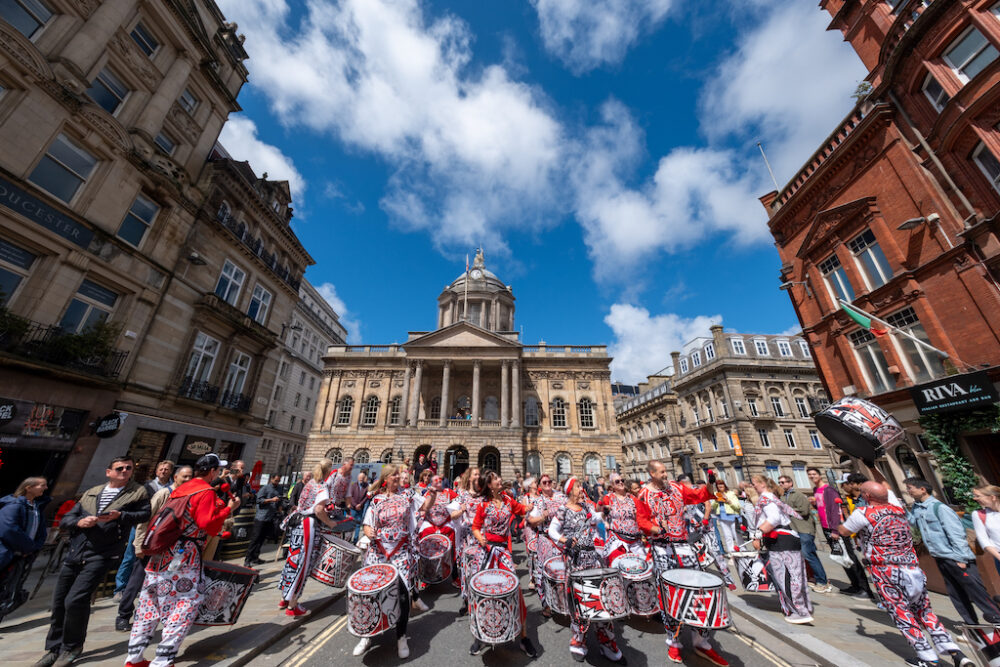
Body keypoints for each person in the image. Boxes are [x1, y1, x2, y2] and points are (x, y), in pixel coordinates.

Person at [840, 482, 974, 667]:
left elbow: (845, 531)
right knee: (925, 611)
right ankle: (957, 653)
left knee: (901, 613)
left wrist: (838, 529)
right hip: (913, 568)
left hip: (886, 571)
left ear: (867, 497)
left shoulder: (863, 513)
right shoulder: (899, 509)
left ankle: (928, 659)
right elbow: (887, 490)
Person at [34, 457, 151, 667]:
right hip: (76, 552)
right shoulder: (91, 493)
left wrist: (120, 515)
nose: (125, 471)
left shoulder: (137, 492)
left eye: (129, 468)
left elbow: (144, 514)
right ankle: (54, 648)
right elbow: (67, 519)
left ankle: (72, 647)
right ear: (109, 472)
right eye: (120, 468)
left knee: (76, 600)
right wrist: (80, 521)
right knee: (59, 601)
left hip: (102, 554)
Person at [124, 453, 238, 667]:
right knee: (183, 605)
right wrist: (228, 510)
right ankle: (163, 660)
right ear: (212, 471)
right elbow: (208, 525)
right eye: (218, 470)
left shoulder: (180, 490)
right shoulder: (205, 491)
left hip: (160, 554)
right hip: (183, 556)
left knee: (150, 605)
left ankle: (134, 658)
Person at [636, 460, 727, 667]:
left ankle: (701, 641)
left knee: (698, 591)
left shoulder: (677, 488)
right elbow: (641, 521)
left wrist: (710, 485)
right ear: (651, 474)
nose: (665, 475)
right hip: (662, 548)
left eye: (666, 471)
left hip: (684, 546)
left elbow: (700, 495)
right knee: (670, 594)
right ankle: (674, 640)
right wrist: (657, 529)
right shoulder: (643, 495)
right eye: (661, 472)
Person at [354, 464, 434, 659]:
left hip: (401, 552)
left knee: (403, 595)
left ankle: (401, 637)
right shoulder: (376, 499)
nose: (399, 477)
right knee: (370, 594)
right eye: (395, 475)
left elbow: (425, 506)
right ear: (386, 478)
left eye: (399, 474)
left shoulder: (408, 495)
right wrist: (367, 531)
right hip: (378, 552)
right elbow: (367, 522)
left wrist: (433, 492)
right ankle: (367, 635)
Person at [905, 477, 1000, 625]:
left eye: (910, 488)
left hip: (956, 558)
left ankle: (996, 619)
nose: (908, 491)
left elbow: (956, 534)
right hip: (940, 557)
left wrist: (961, 558)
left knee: (977, 592)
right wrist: (902, 509)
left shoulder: (940, 508)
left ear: (922, 489)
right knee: (956, 594)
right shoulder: (918, 508)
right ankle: (971, 625)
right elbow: (914, 524)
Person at [551, 476, 625, 663]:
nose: (581, 489)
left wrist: (604, 512)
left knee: (600, 600)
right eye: (577, 487)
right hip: (575, 561)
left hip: (592, 559)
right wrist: (564, 540)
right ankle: (578, 640)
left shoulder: (585, 507)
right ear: (569, 491)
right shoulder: (563, 509)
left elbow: (596, 517)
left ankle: (606, 640)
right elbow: (552, 530)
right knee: (579, 602)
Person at [466, 471, 537, 657]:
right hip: (487, 551)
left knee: (515, 591)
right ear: (489, 485)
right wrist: (480, 538)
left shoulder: (507, 500)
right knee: (482, 592)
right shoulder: (483, 504)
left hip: (503, 551)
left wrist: (532, 503)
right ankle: (480, 636)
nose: (499, 480)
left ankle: (523, 637)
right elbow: (475, 526)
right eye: (496, 478)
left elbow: (521, 509)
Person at [116, 466, 194, 632]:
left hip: (170, 548)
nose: (187, 480)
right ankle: (123, 616)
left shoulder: (188, 496)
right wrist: (139, 544)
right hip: (151, 545)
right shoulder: (164, 494)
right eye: (184, 476)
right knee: (136, 580)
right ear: (175, 477)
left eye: (190, 477)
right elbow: (145, 520)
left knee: (162, 582)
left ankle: (147, 614)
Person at [743, 476, 813, 624]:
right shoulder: (771, 497)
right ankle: (801, 608)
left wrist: (757, 535)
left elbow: (773, 518)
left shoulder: (766, 498)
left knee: (786, 577)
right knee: (795, 576)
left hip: (780, 540)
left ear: (762, 484)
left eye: (755, 484)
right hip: (786, 539)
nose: (753, 487)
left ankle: (799, 612)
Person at [278, 458, 337, 616]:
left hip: (297, 524)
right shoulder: (321, 487)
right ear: (329, 471)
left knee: (292, 559)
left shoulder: (309, 483)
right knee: (303, 564)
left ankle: (285, 596)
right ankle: (293, 605)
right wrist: (330, 522)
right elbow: (318, 510)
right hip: (308, 526)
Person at [808, 467, 872, 599]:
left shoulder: (829, 490)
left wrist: (835, 529)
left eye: (814, 474)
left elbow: (835, 510)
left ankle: (865, 589)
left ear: (820, 475)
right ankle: (854, 585)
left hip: (836, 528)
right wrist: (815, 505)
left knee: (850, 557)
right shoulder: (816, 490)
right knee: (842, 558)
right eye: (809, 474)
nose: (812, 476)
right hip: (826, 527)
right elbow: (823, 508)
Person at [116, 461, 176, 600]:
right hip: (140, 525)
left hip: (159, 527)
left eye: (166, 469)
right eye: (161, 469)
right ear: (156, 471)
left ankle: (138, 587)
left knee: (149, 558)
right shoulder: (147, 486)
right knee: (131, 556)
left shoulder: (172, 488)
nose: (163, 471)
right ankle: (120, 588)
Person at [0, 477, 50, 621]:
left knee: (8, 587)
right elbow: (8, 529)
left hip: (22, 554)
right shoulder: (14, 505)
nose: (45, 488)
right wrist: (28, 546)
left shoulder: (35, 506)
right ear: (28, 487)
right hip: (7, 553)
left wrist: (35, 547)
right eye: (42, 485)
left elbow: (40, 531)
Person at [778, 475, 832, 593]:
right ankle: (811, 578)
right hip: (794, 530)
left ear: (790, 483)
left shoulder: (798, 495)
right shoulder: (783, 496)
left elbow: (804, 510)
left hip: (804, 529)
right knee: (802, 556)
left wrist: (787, 509)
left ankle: (823, 582)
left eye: (783, 482)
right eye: (779, 482)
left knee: (809, 555)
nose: (780, 484)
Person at [527, 472, 567, 617]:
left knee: (563, 570)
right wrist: (542, 516)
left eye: (549, 481)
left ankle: (564, 600)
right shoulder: (538, 501)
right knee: (542, 573)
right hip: (546, 539)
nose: (548, 484)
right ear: (539, 486)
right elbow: (531, 520)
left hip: (562, 538)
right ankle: (546, 604)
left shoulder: (561, 497)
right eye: (544, 482)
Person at [449, 467, 482, 614]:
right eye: (476, 474)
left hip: (481, 536)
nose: (478, 476)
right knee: (466, 570)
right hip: (466, 537)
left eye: (479, 474)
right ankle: (467, 598)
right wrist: (461, 510)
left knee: (481, 568)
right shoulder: (461, 495)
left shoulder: (484, 495)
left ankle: (480, 598)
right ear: (469, 478)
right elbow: (452, 515)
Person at [600, 472, 646, 566]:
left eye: (622, 480)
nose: (621, 482)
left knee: (640, 570)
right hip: (618, 540)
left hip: (635, 541)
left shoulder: (633, 498)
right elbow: (601, 513)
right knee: (619, 570)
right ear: (612, 486)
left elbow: (642, 516)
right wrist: (605, 521)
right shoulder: (608, 498)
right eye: (617, 481)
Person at [245, 475, 281, 566]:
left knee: (262, 539)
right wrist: (271, 500)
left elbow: (279, 500)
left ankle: (255, 557)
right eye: (276, 480)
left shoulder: (279, 489)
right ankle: (248, 559)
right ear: (271, 479)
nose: (277, 482)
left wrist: (279, 505)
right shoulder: (265, 488)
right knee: (255, 538)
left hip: (270, 517)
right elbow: (259, 500)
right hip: (261, 517)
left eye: (278, 481)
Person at [972, 484, 1000, 578]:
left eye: (978, 496)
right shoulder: (978, 515)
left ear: (992, 497)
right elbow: (984, 540)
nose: (975, 499)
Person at [711, 479, 741, 554]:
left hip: (732, 516)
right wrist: (716, 501)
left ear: (725, 485)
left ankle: (742, 549)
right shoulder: (716, 494)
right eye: (718, 485)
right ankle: (731, 552)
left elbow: (738, 506)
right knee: (727, 536)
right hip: (722, 517)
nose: (720, 486)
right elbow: (712, 507)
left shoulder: (731, 493)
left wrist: (728, 501)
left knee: (736, 535)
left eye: (721, 484)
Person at [347, 470, 369, 542]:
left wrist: (360, 504)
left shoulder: (366, 486)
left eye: (362, 478)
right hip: (353, 508)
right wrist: (355, 505)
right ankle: (348, 539)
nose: (361, 479)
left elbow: (366, 497)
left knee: (358, 525)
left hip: (360, 508)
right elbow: (351, 496)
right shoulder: (353, 485)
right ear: (357, 478)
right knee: (351, 524)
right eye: (360, 478)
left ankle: (355, 540)